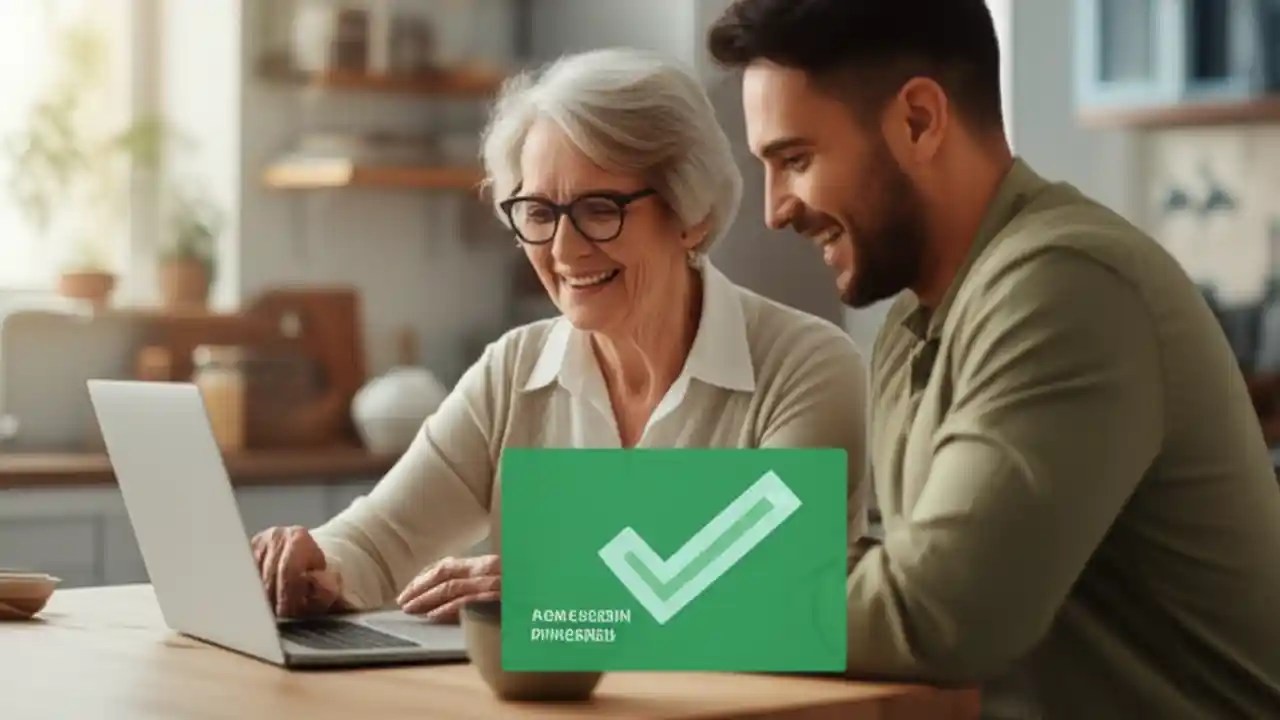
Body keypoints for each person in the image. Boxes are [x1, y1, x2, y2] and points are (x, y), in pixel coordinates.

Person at [708, 0, 1280, 717]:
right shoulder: (917, 320)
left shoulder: (1064, 287)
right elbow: (898, 569)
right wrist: (593, 577)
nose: (775, 209)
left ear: (918, 120)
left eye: (796, 160)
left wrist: (652, 606)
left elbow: (938, 615)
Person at [251, 48, 869, 625]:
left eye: (602, 209)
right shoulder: (514, 372)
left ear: (693, 214)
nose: (565, 250)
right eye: (540, 213)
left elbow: (772, 587)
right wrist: (314, 566)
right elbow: (380, 542)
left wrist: (555, 593)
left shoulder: (808, 370)